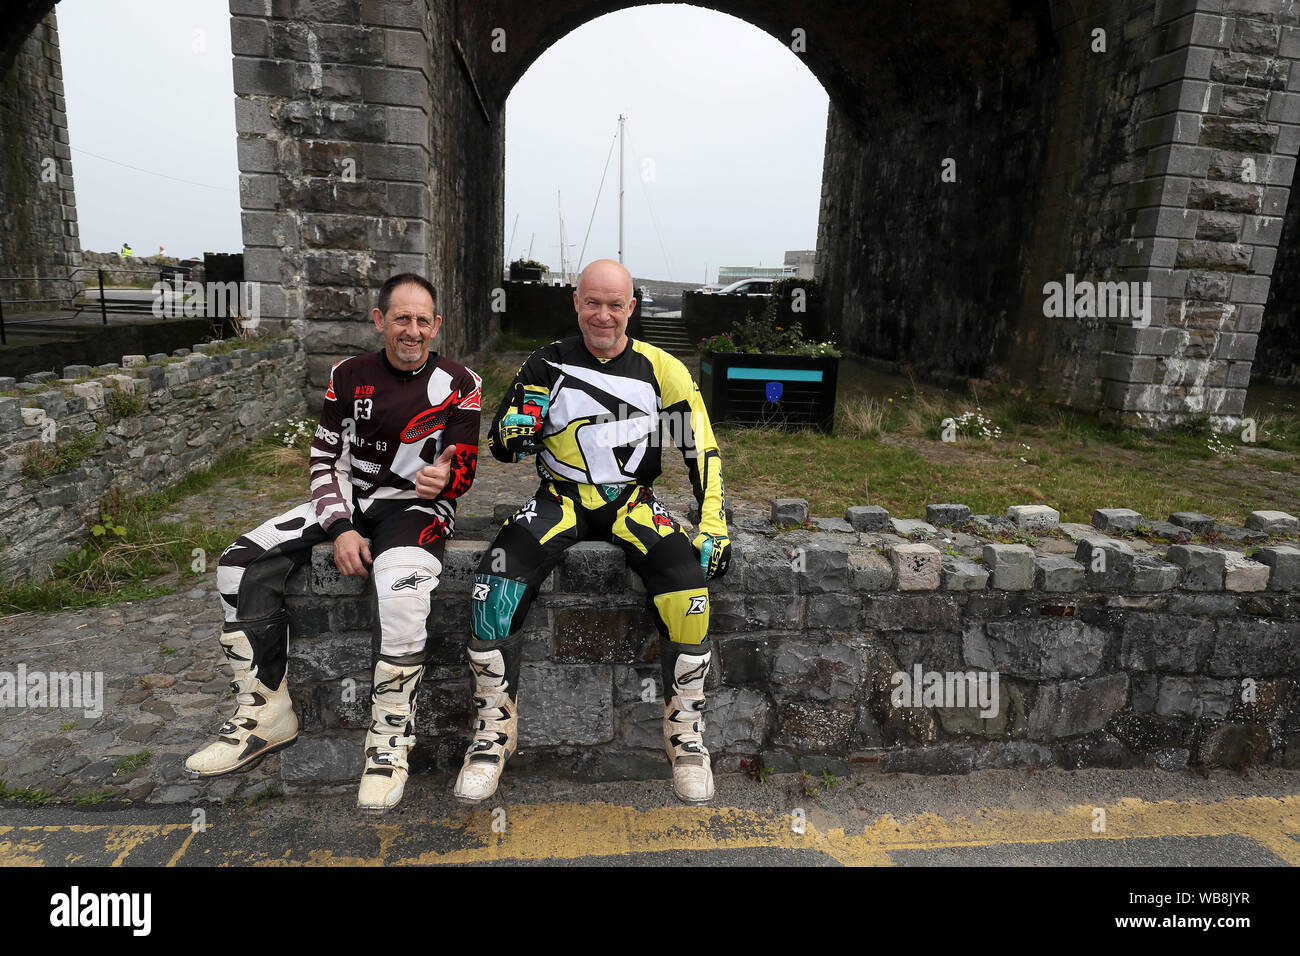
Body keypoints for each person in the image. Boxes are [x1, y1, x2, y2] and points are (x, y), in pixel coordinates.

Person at [185, 273, 483, 812]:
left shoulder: (462, 382)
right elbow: (324, 460)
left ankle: (390, 740)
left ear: (436, 325)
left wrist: (449, 478)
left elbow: (464, 467)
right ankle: (265, 711)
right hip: (354, 500)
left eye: (422, 320)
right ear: (379, 320)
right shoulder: (347, 375)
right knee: (236, 562)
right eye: (401, 318)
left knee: (402, 588)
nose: (412, 330)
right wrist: (341, 525)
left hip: (418, 508)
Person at [454, 258, 731, 805]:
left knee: (688, 587)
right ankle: (492, 733)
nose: (603, 315)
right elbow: (503, 448)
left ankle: (686, 736)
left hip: (632, 503)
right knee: (493, 585)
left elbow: (701, 447)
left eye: (615, 304)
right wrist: (515, 435)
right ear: (575, 303)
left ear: (632, 307)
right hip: (558, 500)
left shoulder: (662, 368)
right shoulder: (545, 363)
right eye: (592, 302)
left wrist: (713, 524)